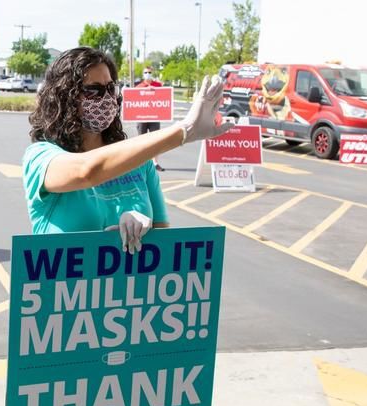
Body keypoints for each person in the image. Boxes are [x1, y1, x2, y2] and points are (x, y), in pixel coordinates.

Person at [23, 47, 229, 252]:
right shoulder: (41, 157)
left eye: (110, 88)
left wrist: (146, 230)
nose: (105, 99)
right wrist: (182, 132)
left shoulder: (140, 163)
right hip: (65, 283)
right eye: (93, 91)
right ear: (64, 96)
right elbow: (87, 171)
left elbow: (163, 245)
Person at [136, 67, 165, 171]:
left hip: (154, 117)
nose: (147, 74)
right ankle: (142, 162)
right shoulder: (139, 87)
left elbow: (164, 98)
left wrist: (154, 91)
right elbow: (134, 100)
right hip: (142, 117)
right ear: (143, 74)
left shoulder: (158, 86)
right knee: (142, 140)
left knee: (155, 140)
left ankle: (155, 163)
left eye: (149, 72)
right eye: (145, 72)